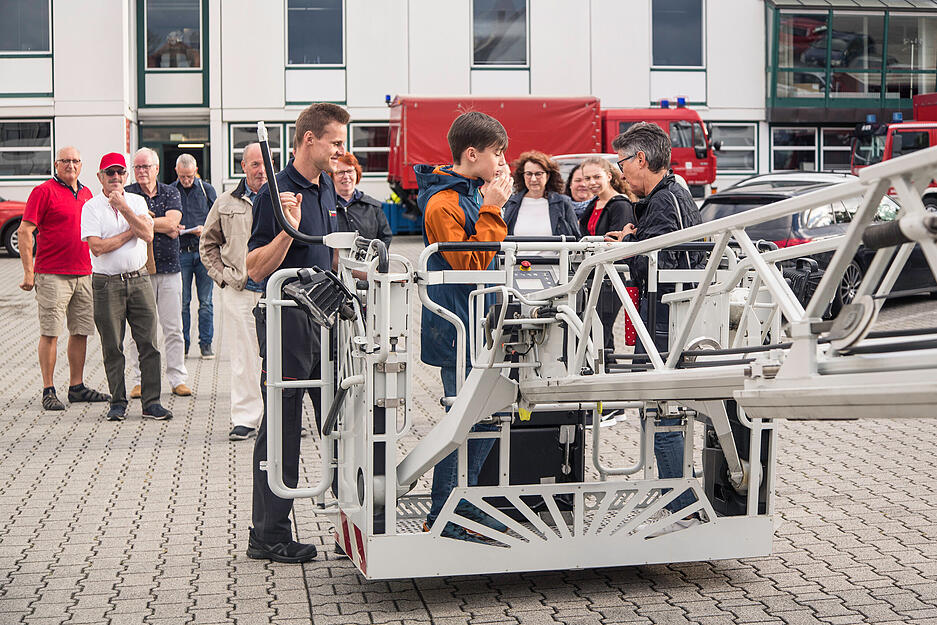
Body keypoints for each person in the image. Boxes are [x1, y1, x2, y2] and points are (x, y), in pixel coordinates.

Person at [245, 102, 350, 564]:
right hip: (286, 321)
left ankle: (352, 521)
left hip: (327, 321)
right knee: (283, 428)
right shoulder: (275, 192)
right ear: (310, 140)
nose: (342, 152)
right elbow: (253, 270)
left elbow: (328, 255)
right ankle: (268, 534)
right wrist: (285, 229)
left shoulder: (326, 187)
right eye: (336, 142)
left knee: (341, 421)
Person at [416, 111, 513, 541]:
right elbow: (469, 265)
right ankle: (446, 514)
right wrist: (493, 208)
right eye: (497, 153)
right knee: (466, 422)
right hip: (458, 329)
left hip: (480, 324)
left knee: (486, 418)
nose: (502, 162)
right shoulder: (444, 203)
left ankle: (461, 505)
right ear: (472, 154)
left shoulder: (468, 193)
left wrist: (491, 204)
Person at [609, 122, 706, 528]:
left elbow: (669, 264)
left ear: (641, 159)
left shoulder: (665, 200)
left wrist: (628, 249)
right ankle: (679, 500)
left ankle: (682, 506)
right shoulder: (668, 195)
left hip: (666, 324)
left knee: (662, 409)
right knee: (663, 410)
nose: (621, 171)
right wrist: (635, 238)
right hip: (668, 320)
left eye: (622, 162)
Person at [79, 153, 172, 422]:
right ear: (100, 177)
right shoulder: (92, 207)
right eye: (110, 173)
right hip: (106, 284)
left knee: (149, 344)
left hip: (139, 279)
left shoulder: (136, 201)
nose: (116, 177)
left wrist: (125, 210)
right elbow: (97, 248)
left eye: (120, 172)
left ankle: (151, 402)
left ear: (126, 176)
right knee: (112, 346)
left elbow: (149, 234)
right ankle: (117, 403)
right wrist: (133, 230)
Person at [18, 147, 110, 410]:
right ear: (56, 164)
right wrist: (28, 272)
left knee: (80, 332)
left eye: (75, 161)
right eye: (65, 161)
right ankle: (48, 390)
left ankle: (76, 387)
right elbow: (25, 231)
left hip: (84, 273)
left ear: (81, 166)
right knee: (50, 333)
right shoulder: (43, 192)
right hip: (52, 275)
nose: (70, 165)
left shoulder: (87, 193)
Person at [200, 142, 267, 441]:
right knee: (244, 358)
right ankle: (245, 419)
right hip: (240, 290)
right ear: (243, 167)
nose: (261, 171)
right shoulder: (225, 202)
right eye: (255, 165)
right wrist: (223, 277)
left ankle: (278, 419)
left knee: (277, 359)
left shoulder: (282, 200)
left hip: (275, 292)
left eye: (266, 164)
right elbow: (207, 244)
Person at [124, 148, 191, 399]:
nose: (141, 171)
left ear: (156, 168)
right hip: (138, 271)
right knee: (140, 329)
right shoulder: (128, 193)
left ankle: (177, 378)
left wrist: (145, 221)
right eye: (137, 167)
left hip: (171, 269)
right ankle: (140, 380)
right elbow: (127, 224)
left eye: (146, 167)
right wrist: (160, 224)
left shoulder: (170, 191)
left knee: (173, 327)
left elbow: (173, 222)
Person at [577, 157, 637, 352]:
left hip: (609, 277)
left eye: (596, 177)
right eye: (587, 178)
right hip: (592, 275)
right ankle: (604, 370)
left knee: (600, 329)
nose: (591, 183)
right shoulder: (593, 204)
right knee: (596, 329)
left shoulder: (620, 205)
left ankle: (604, 370)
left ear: (609, 176)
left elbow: (618, 244)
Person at [172, 154, 218, 359]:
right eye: (182, 177)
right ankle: (183, 345)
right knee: (183, 302)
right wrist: (173, 226)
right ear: (177, 172)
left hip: (203, 253)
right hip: (181, 252)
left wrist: (205, 228)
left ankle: (206, 344)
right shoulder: (171, 191)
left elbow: (218, 219)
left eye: (189, 176)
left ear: (196, 170)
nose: (186, 180)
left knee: (206, 302)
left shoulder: (206, 190)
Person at [501, 151, 580, 239]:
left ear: (548, 175)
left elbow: (575, 238)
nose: (533, 179)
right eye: (529, 174)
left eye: (538, 174)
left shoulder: (563, 202)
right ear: (522, 175)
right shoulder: (511, 203)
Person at [330, 152, 392, 248]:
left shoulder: (373, 207)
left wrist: (372, 258)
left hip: (365, 262)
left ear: (357, 174)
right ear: (331, 177)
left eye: (350, 171)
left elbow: (385, 237)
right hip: (333, 263)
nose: (346, 176)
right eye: (340, 172)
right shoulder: (325, 206)